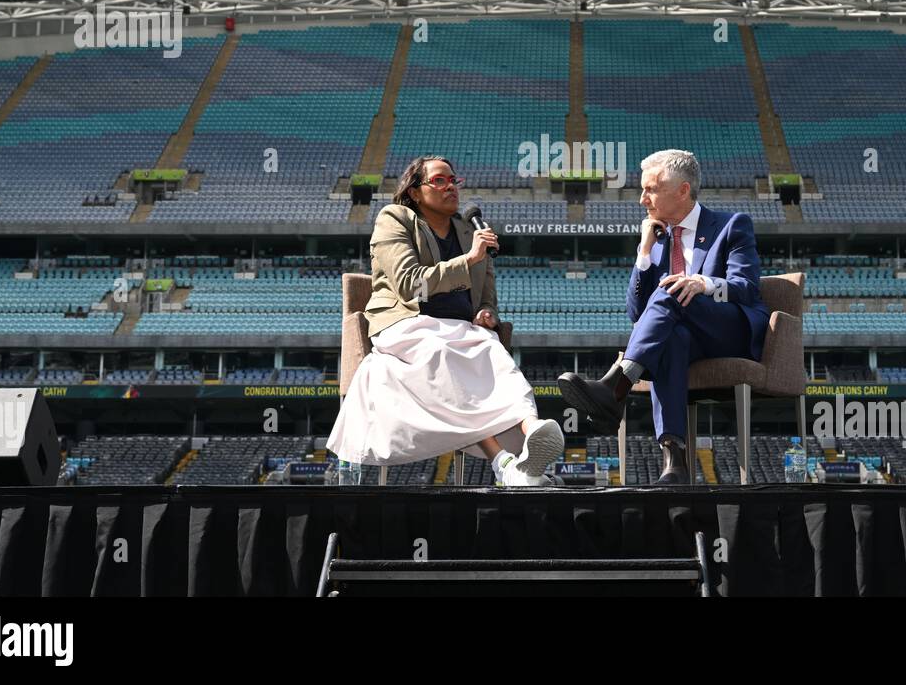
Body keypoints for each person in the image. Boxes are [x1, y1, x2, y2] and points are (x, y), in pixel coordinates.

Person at [326, 155, 563, 487]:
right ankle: (503, 461)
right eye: (439, 180)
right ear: (414, 191)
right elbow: (411, 283)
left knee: (493, 352)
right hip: (408, 323)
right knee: (443, 351)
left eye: (454, 179)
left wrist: (487, 314)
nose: (450, 185)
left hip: (462, 328)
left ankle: (531, 431)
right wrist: (469, 259)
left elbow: (486, 296)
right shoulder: (395, 218)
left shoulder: (471, 232)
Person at [558, 150, 770, 485]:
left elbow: (747, 288)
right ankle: (675, 461)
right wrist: (643, 253)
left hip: (729, 330)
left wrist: (702, 283)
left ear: (683, 190)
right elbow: (636, 313)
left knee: (672, 289)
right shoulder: (655, 240)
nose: (643, 199)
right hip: (684, 337)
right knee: (673, 338)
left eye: (651, 189)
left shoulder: (731, 225)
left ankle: (617, 384)